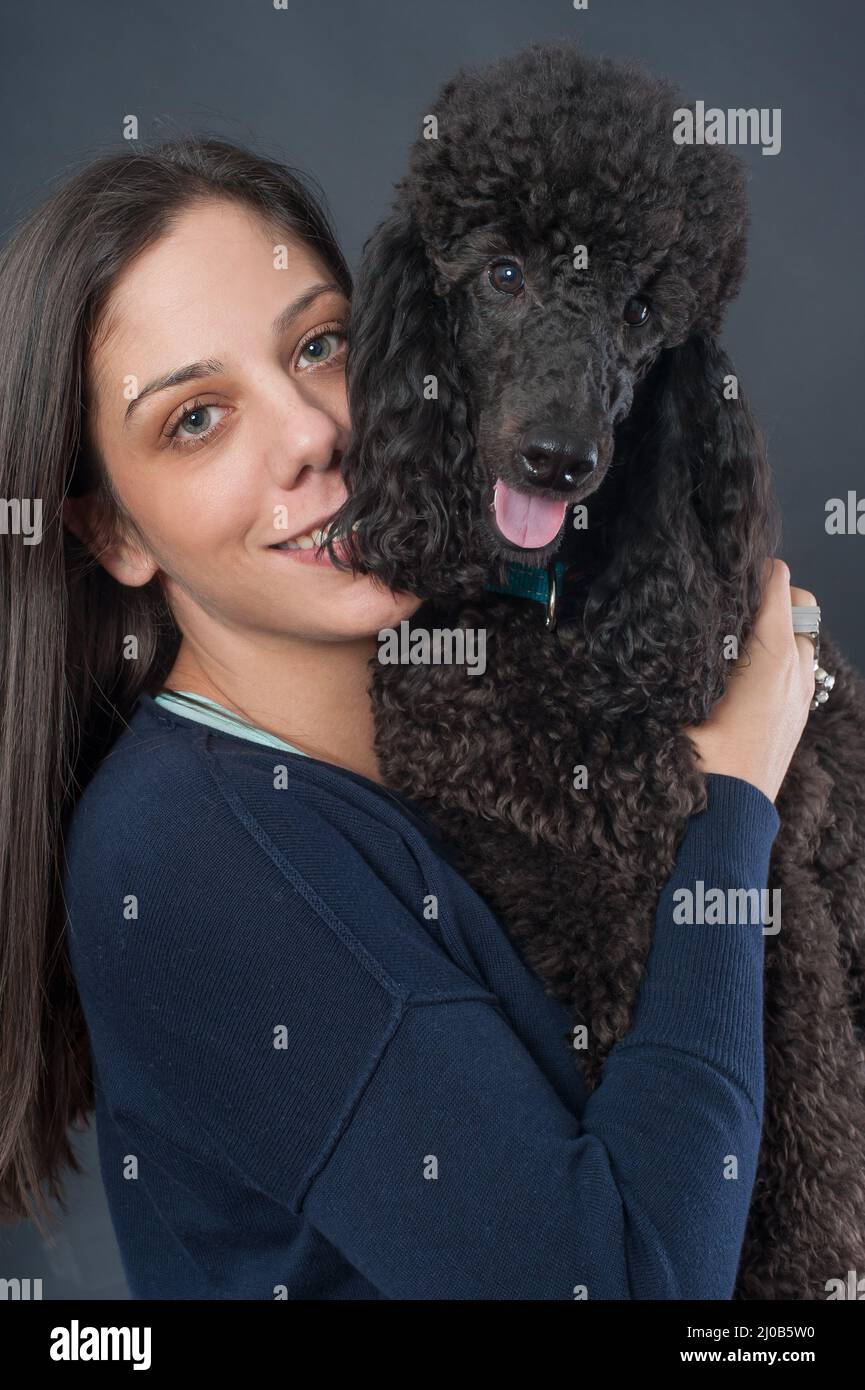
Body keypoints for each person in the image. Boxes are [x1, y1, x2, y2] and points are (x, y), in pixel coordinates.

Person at [0, 138, 816, 1300]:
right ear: (113, 534)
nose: (309, 433)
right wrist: (729, 802)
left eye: (319, 345)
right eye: (195, 419)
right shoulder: (183, 850)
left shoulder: (500, 699)